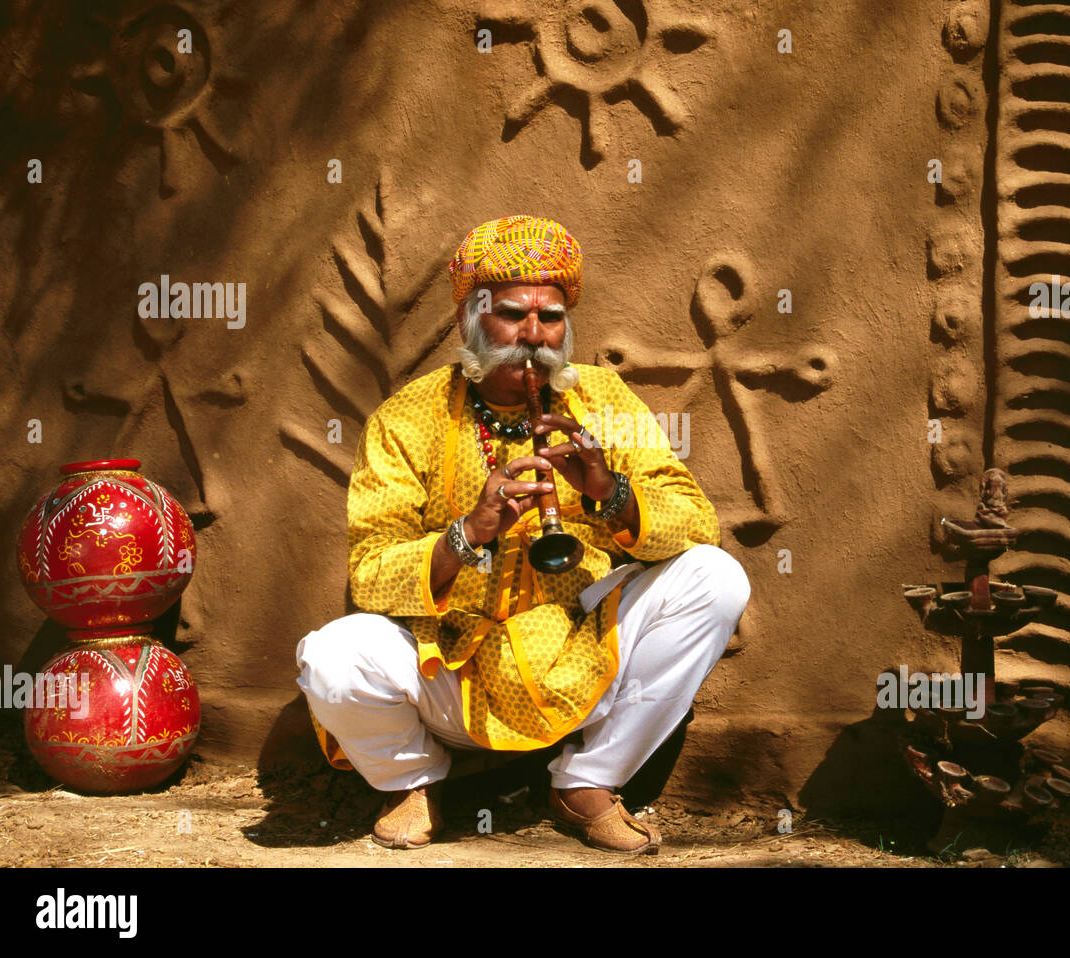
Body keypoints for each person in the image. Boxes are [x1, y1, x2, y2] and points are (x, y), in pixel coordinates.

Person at [296, 215, 750, 855]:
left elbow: (697, 521)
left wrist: (609, 494)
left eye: (552, 318)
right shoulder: (408, 417)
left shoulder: (605, 399)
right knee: (332, 657)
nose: (534, 336)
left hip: (585, 651)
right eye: (512, 314)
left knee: (716, 577)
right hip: (454, 673)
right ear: (469, 320)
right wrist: (468, 533)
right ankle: (412, 784)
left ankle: (588, 781)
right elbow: (370, 571)